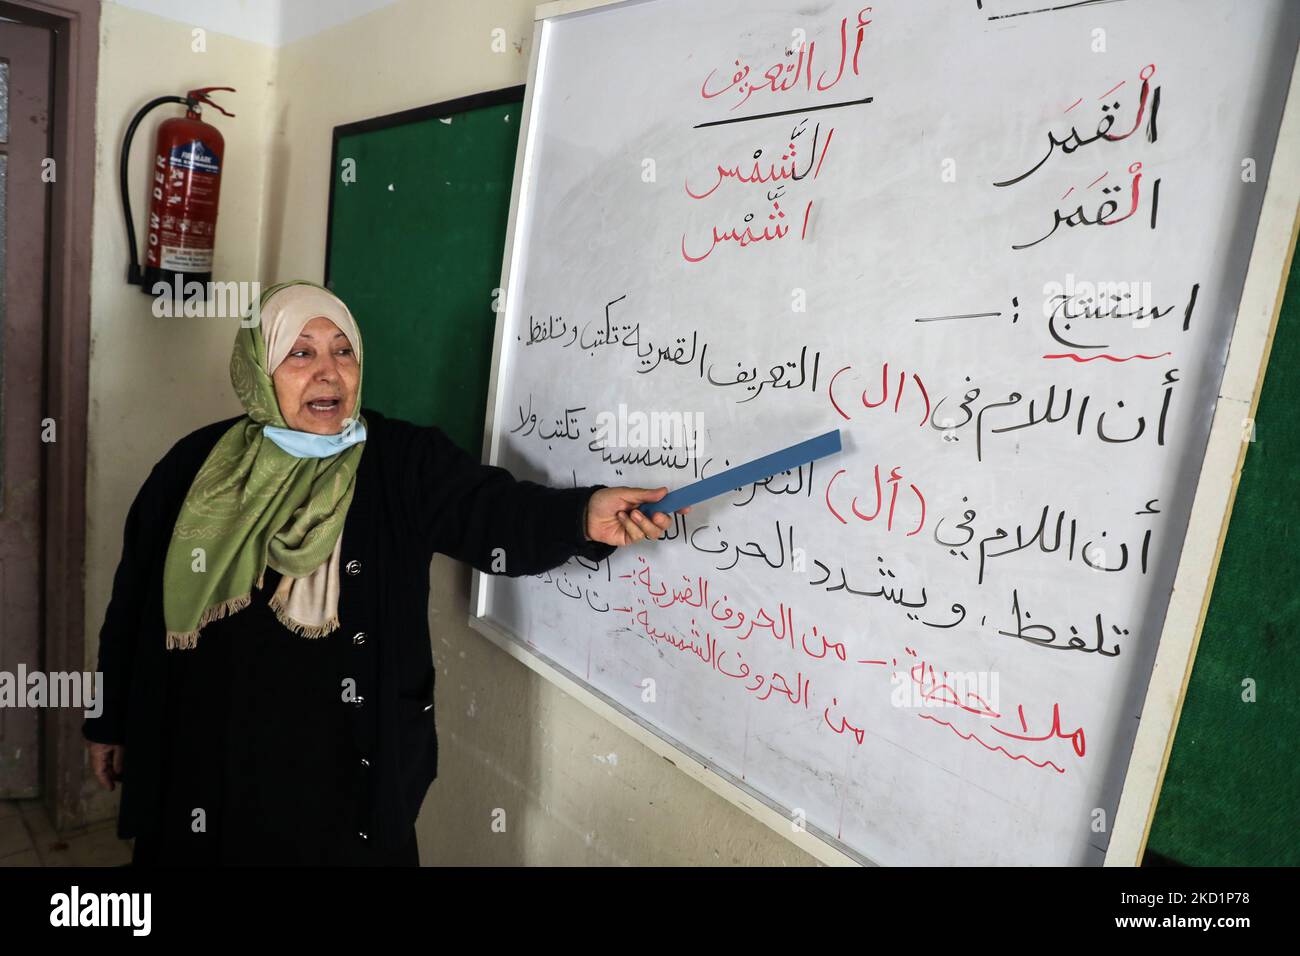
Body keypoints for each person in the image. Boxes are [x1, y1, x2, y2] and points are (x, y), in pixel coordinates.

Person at [82, 280, 685, 865]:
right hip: (206, 764)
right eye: (301, 352)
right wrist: (108, 719)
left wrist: (581, 514)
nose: (328, 372)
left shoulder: (402, 461)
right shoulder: (195, 468)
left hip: (345, 771)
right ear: (258, 368)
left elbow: (495, 513)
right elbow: (133, 600)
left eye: (344, 351)